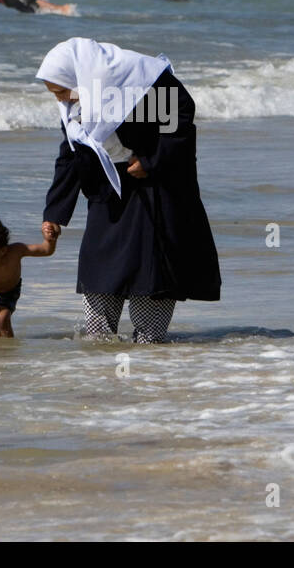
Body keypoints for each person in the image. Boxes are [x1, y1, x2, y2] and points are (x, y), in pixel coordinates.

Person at [38, 38, 221, 343]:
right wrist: (54, 213)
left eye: (62, 91)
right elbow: (71, 154)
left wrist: (152, 161)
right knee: (99, 282)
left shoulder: (142, 81)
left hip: (152, 194)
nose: (62, 100)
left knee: (149, 281)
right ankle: (103, 375)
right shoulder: (76, 105)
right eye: (56, 94)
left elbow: (182, 115)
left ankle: (150, 372)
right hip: (107, 196)